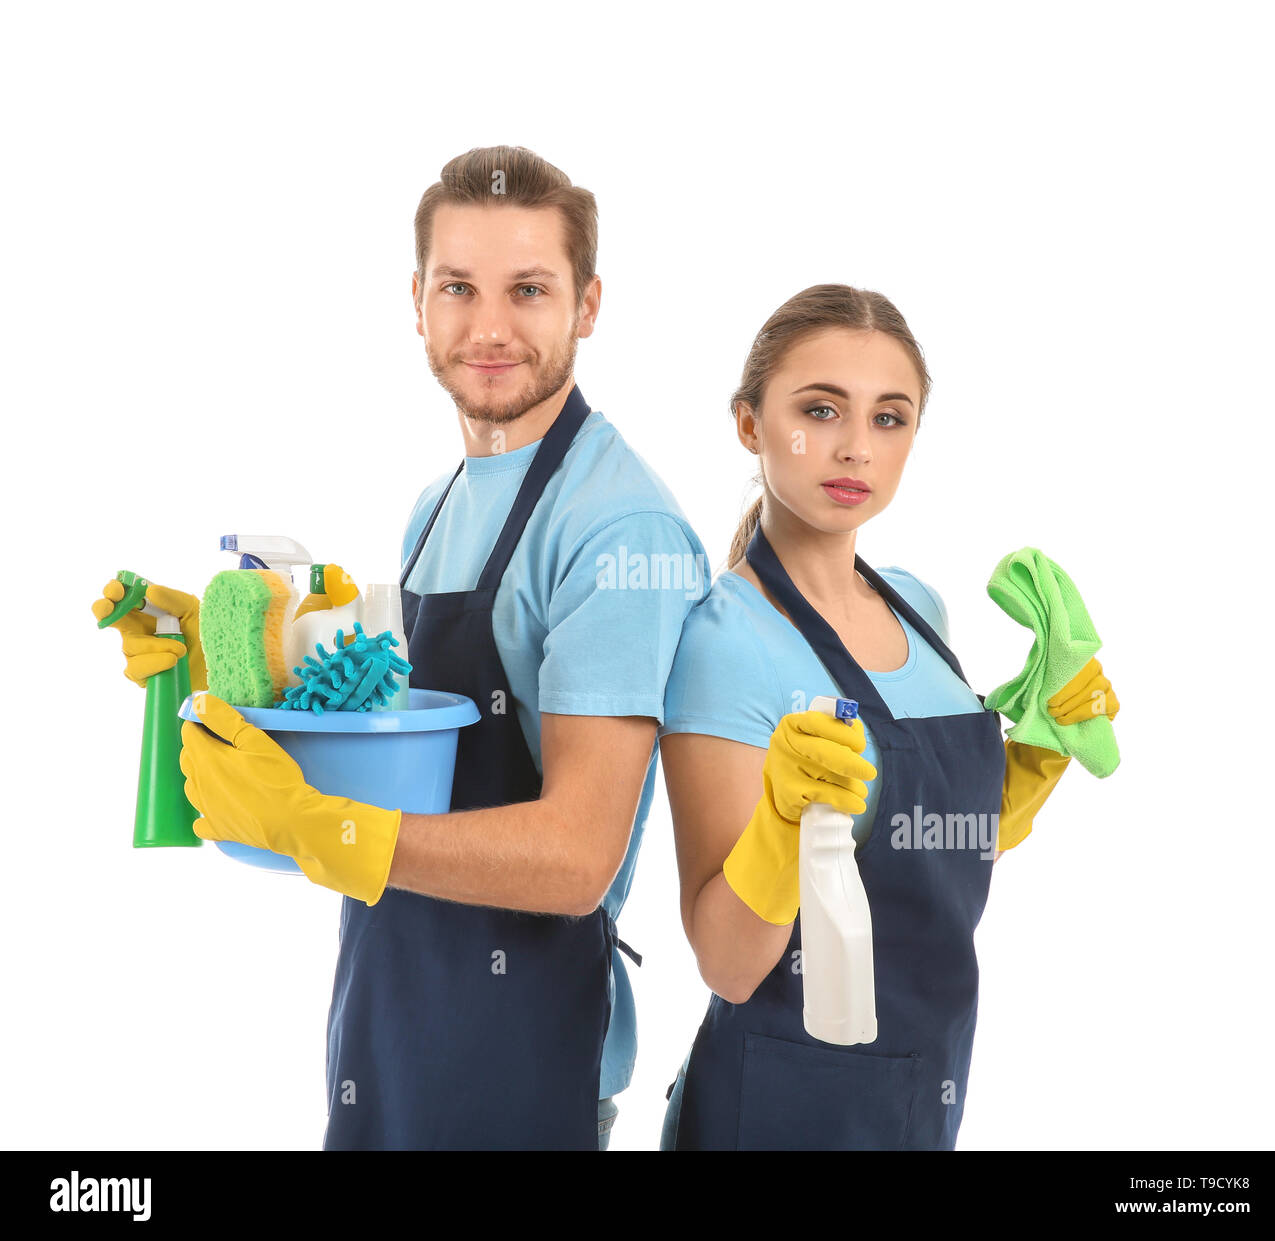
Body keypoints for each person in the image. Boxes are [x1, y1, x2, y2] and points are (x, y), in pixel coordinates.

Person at [94, 146, 709, 1151]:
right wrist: (222, 667)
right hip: (389, 1021)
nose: (490, 328)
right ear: (416, 301)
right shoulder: (438, 503)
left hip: (519, 1067)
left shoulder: (616, 527)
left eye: (529, 290)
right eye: (458, 287)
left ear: (587, 305)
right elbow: (402, 749)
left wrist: (320, 827)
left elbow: (574, 857)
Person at [655, 284, 1118, 1150]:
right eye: (821, 409)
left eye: (890, 417)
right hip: (780, 1109)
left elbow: (927, 842)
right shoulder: (725, 640)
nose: (856, 447)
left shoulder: (917, 608)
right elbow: (726, 960)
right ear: (750, 425)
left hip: (925, 1086)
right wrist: (780, 826)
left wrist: (1042, 749)